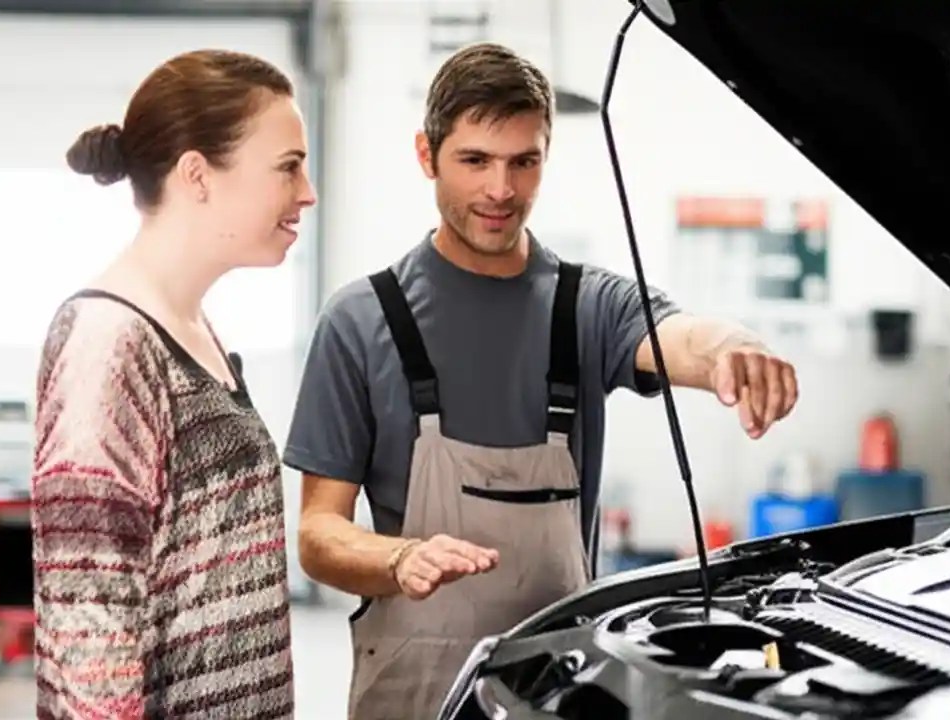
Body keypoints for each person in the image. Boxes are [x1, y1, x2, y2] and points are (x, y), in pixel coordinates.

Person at [284, 42, 798, 719]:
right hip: (413, 691)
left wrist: (734, 345)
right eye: (476, 161)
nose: (501, 189)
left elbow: (681, 338)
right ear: (426, 155)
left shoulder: (587, 306)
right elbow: (319, 535)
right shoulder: (359, 320)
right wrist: (398, 559)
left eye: (524, 162)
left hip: (556, 693)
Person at [29, 48, 316, 719]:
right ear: (198, 175)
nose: (307, 192)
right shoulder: (107, 342)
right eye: (288, 167)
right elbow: (88, 633)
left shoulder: (194, 329)